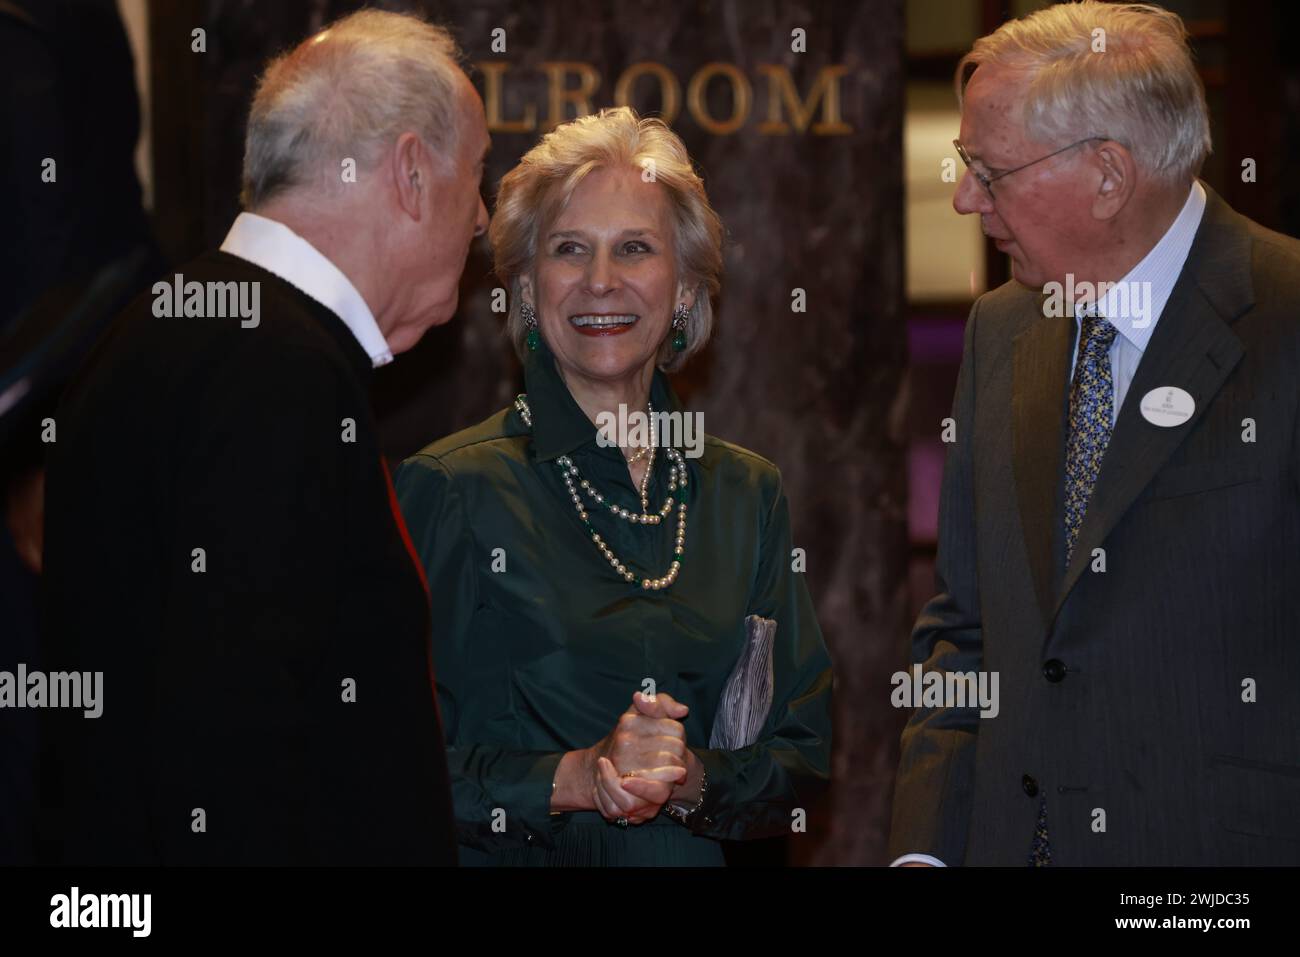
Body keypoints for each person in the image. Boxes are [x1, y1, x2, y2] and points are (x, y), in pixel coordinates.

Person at [38, 9, 488, 865]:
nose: (480, 223)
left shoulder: (169, 326)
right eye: (475, 179)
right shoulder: (277, 372)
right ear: (410, 174)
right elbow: (230, 742)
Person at [890, 1, 1300, 866]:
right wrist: (926, 850)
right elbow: (964, 628)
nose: (965, 198)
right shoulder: (999, 330)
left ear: (1109, 176)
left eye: (987, 171)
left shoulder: (1286, 316)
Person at [395, 106, 833, 866]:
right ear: (527, 288)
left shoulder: (745, 492)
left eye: (635, 248)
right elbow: (390, 772)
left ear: (687, 289)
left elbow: (805, 756)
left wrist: (693, 778)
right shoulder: (451, 490)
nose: (602, 282)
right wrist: (573, 777)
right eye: (570, 250)